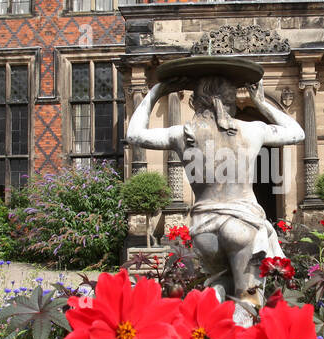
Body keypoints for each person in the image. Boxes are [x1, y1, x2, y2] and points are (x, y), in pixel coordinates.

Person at [126, 72, 303, 315]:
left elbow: (134, 134)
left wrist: (155, 93)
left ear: (194, 102)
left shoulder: (182, 133)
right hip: (243, 225)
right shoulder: (253, 130)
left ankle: (216, 296)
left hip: (204, 230)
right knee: (248, 302)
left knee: (221, 287)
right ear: (231, 101)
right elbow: (297, 132)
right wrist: (260, 103)